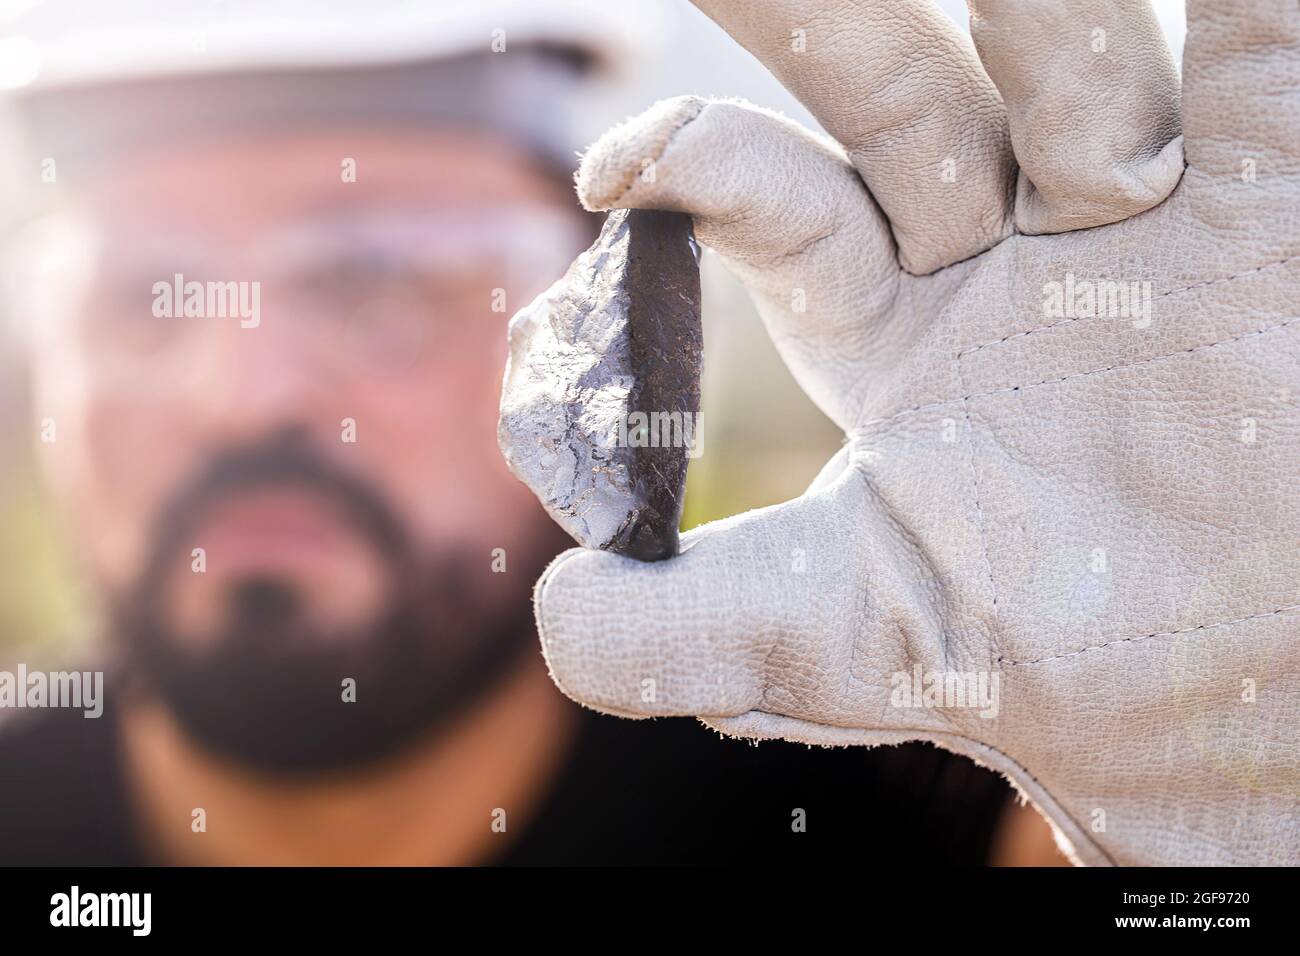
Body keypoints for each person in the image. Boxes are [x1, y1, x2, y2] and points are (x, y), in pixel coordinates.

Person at [0, 0, 1029, 866]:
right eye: (141, 296)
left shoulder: (926, 828)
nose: (244, 395)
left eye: (377, 283)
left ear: (609, 345)